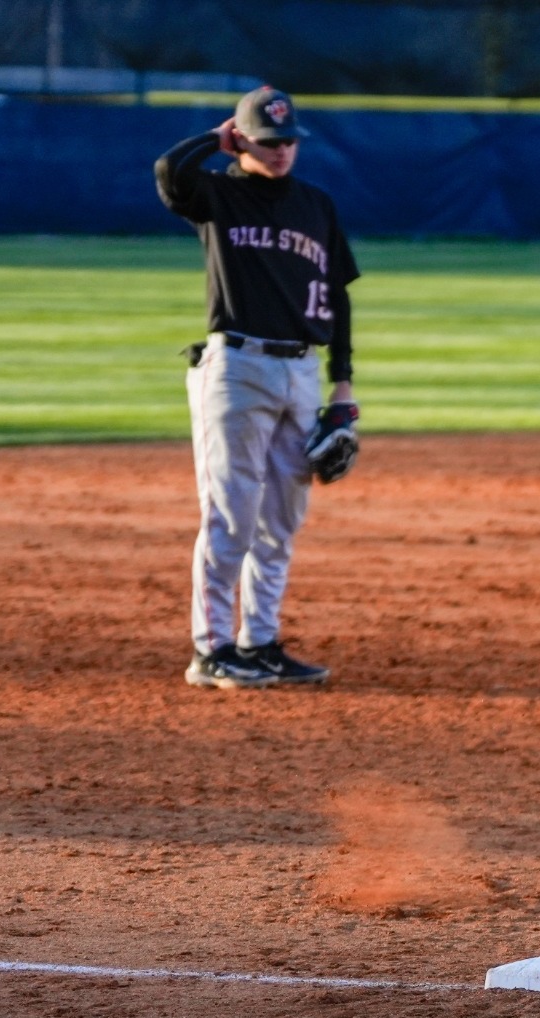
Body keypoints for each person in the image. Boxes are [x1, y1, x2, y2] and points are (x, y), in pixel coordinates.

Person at [154, 86, 361, 689]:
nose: (281, 152)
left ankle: (260, 640)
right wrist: (214, 141)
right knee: (231, 514)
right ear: (241, 140)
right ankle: (211, 649)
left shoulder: (317, 205)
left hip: (301, 369)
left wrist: (342, 384)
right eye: (268, 142)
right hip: (237, 367)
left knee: (282, 517)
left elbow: (338, 297)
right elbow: (169, 173)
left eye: (288, 141)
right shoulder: (217, 194)